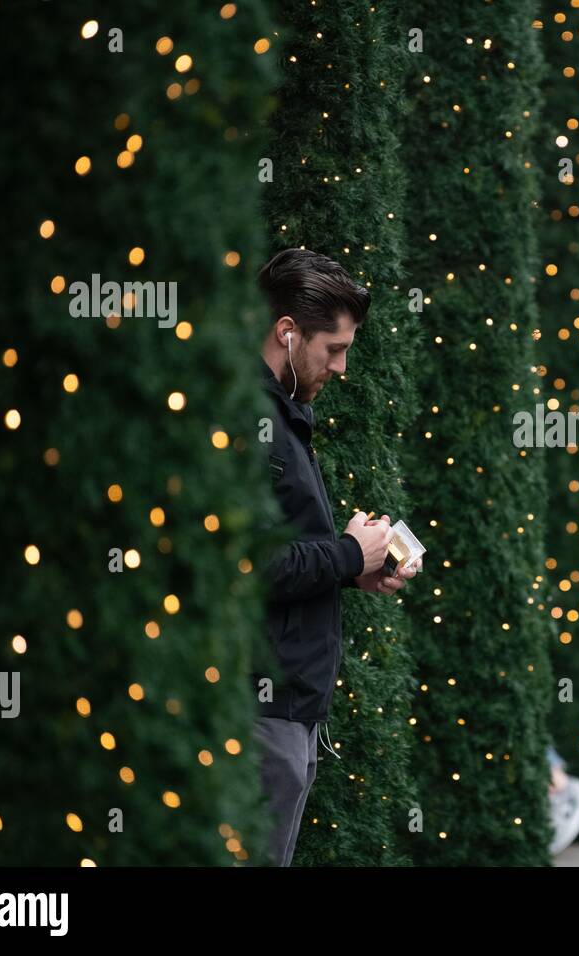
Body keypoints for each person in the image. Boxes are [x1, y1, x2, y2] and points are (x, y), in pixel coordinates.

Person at [254, 248, 420, 866]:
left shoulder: (282, 415)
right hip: (262, 702)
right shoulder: (254, 419)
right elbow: (249, 563)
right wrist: (349, 553)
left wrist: (354, 566)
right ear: (288, 332)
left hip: (284, 697)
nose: (343, 366)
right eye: (335, 348)